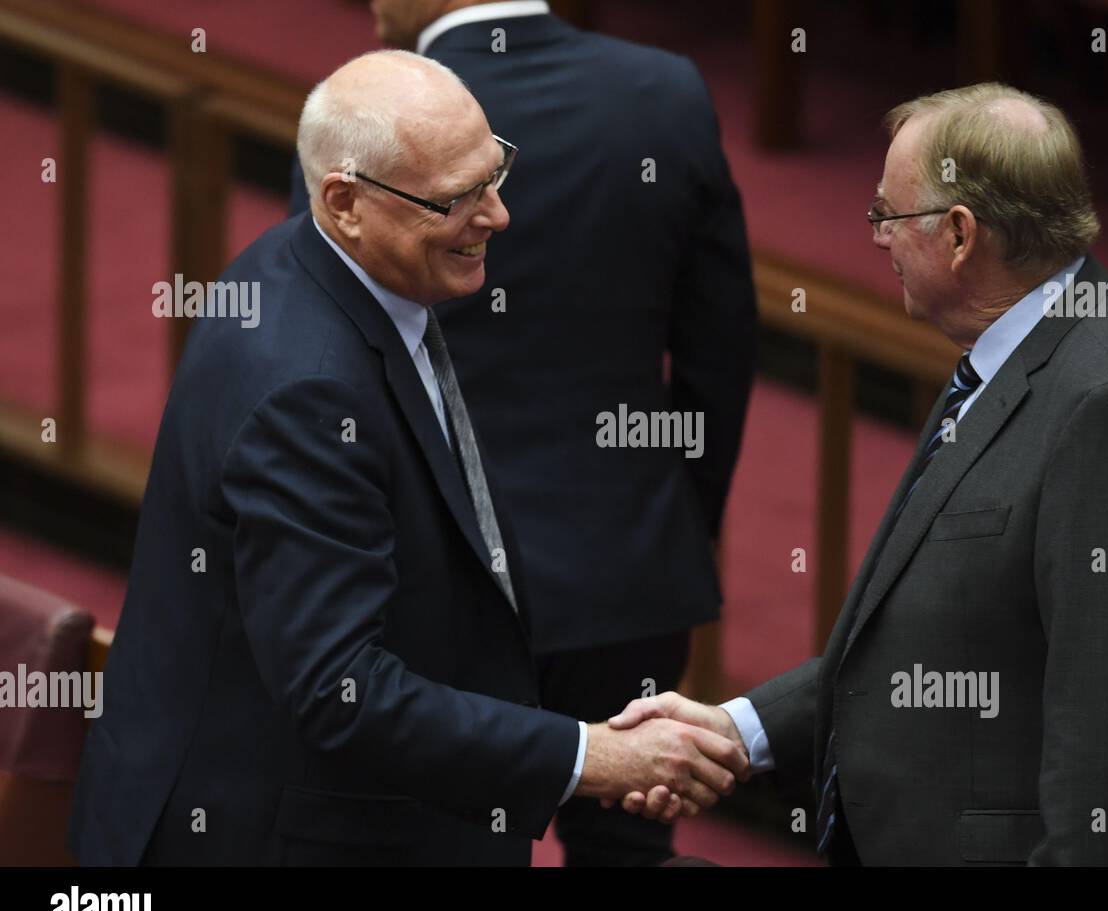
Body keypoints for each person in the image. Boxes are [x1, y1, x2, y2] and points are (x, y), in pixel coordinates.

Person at [66, 50, 745, 867]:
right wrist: (591, 757)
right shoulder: (309, 392)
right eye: (457, 199)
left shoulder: (321, 264)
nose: (498, 216)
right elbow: (339, 691)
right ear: (345, 202)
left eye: (497, 175)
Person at [610, 83, 1108, 866]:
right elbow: (948, 639)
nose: (878, 238)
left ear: (959, 236)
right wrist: (739, 730)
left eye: (888, 214)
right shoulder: (1024, 349)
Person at [289, 0, 756, 866]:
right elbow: (720, 346)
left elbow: (327, 356)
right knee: (625, 852)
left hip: (432, 585)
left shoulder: (369, 123)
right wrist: (681, 522)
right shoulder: (665, 91)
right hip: (627, 566)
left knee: (434, 849)